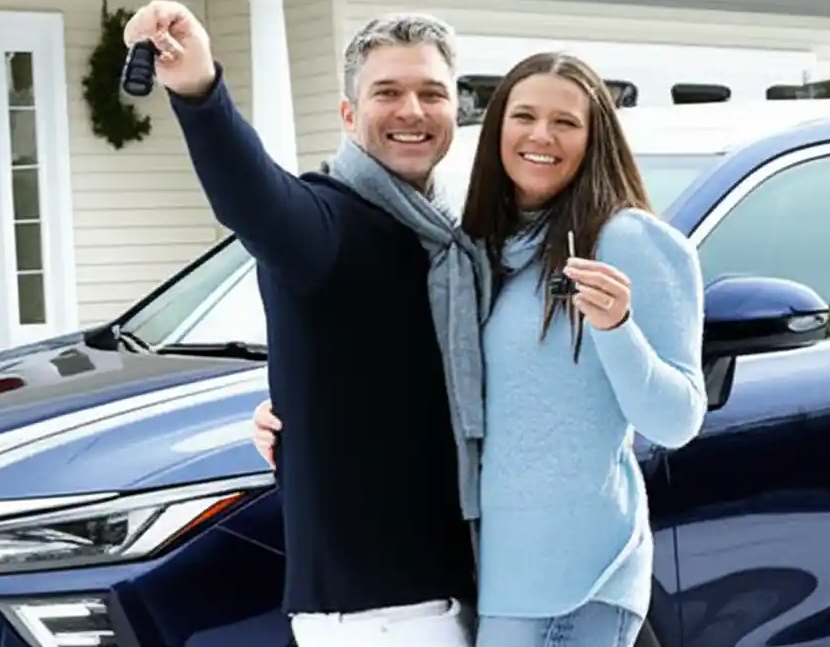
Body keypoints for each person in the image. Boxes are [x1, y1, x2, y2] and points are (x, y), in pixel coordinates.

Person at [253, 50, 707, 646]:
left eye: (566, 122)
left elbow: (676, 420)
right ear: (497, 131)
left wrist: (617, 327)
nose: (541, 135)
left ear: (596, 138)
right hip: (494, 575)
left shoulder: (627, 240)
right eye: (523, 116)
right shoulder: (481, 249)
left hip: (573, 577)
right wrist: (298, 417)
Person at [121, 1, 486, 646]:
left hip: (456, 585)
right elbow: (252, 195)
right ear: (349, 115)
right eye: (388, 92)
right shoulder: (325, 224)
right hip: (384, 613)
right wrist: (200, 92)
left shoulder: (452, 242)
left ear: (456, 110)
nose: (412, 111)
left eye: (433, 93)